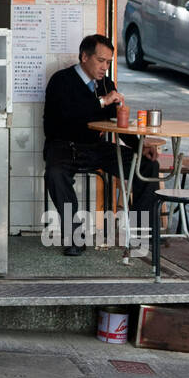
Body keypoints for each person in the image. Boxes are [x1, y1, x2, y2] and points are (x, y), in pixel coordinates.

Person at [43, 33, 160, 256]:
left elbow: (117, 122)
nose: (105, 67)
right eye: (101, 61)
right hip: (63, 145)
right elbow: (69, 116)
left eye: (108, 62)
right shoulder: (61, 81)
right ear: (84, 57)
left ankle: (140, 233)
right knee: (55, 174)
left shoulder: (106, 83)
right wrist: (102, 101)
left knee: (146, 165)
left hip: (95, 147)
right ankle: (75, 236)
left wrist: (139, 146)